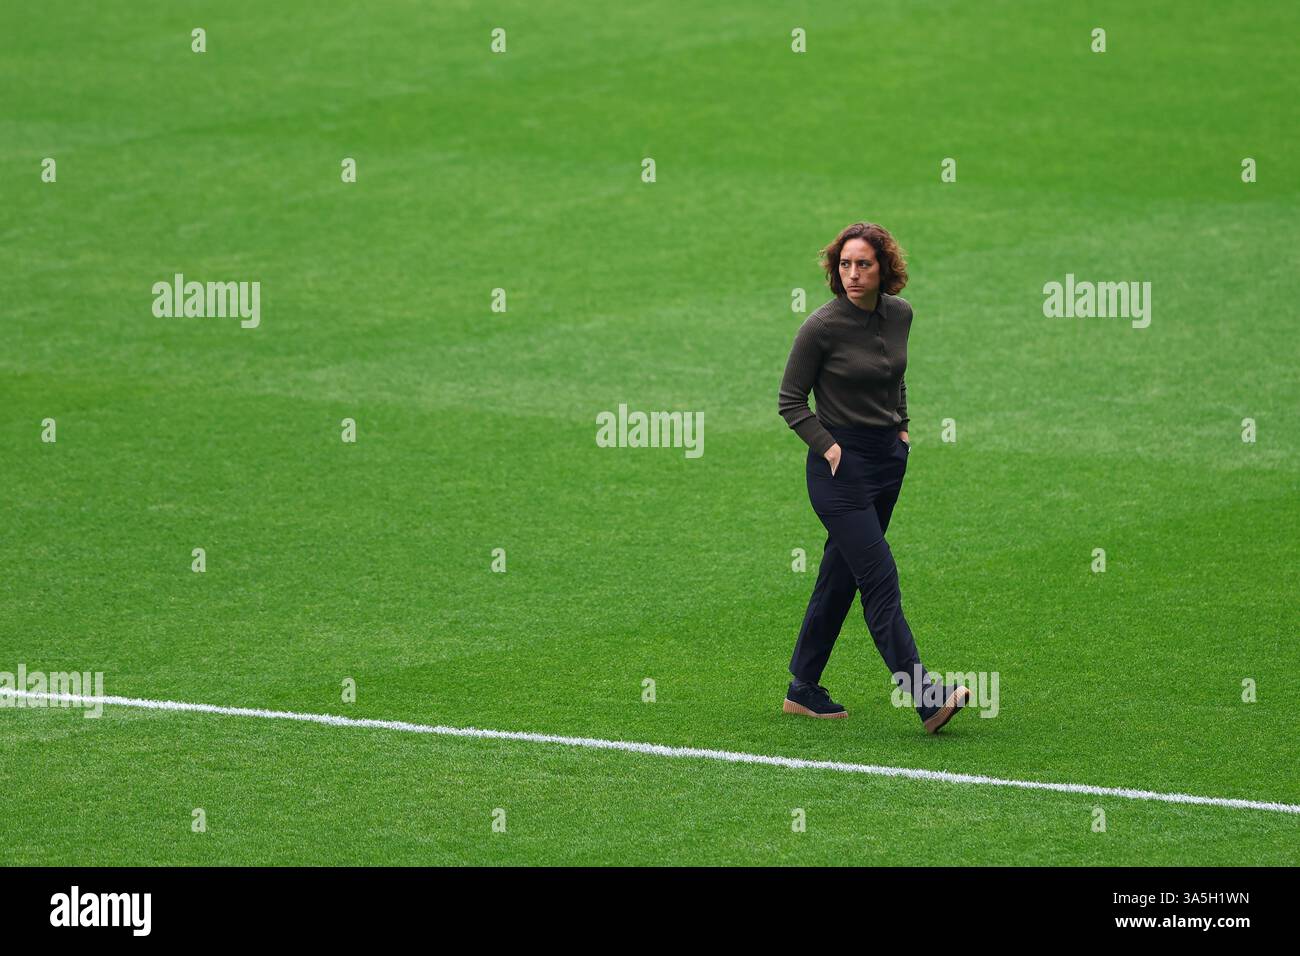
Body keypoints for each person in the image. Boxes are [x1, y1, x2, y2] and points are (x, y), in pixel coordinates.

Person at [777, 221, 969, 734]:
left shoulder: (900, 315)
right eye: (845, 265)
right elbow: (790, 401)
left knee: (840, 578)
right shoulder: (820, 327)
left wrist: (902, 428)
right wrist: (830, 447)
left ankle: (803, 689)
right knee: (880, 579)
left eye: (863, 264)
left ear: (884, 267)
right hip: (839, 470)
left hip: (887, 463)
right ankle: (927, 698)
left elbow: (894, 375)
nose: (853, 274)